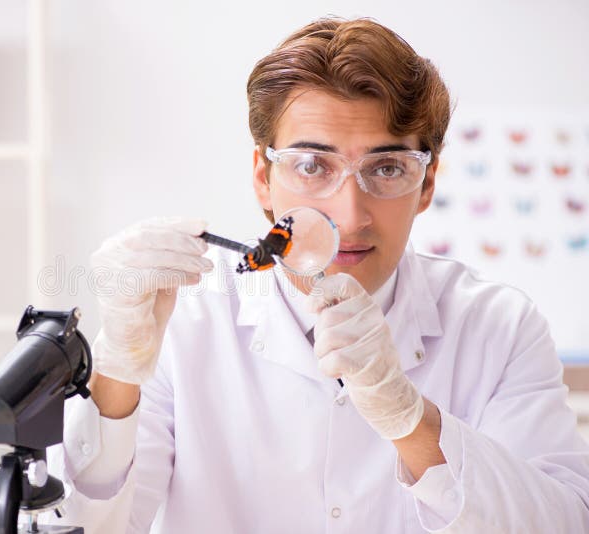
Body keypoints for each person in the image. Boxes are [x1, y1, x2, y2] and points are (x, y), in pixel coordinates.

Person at [46, 17, 589, 533]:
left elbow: (564, 524)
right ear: (264, 178)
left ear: (426, 185)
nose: (350, 216)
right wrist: (116, 375)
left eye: (387, 168)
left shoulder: (500, 327)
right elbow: (79, 527)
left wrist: (409, 419)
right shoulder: (186, 321)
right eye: (312, 166)